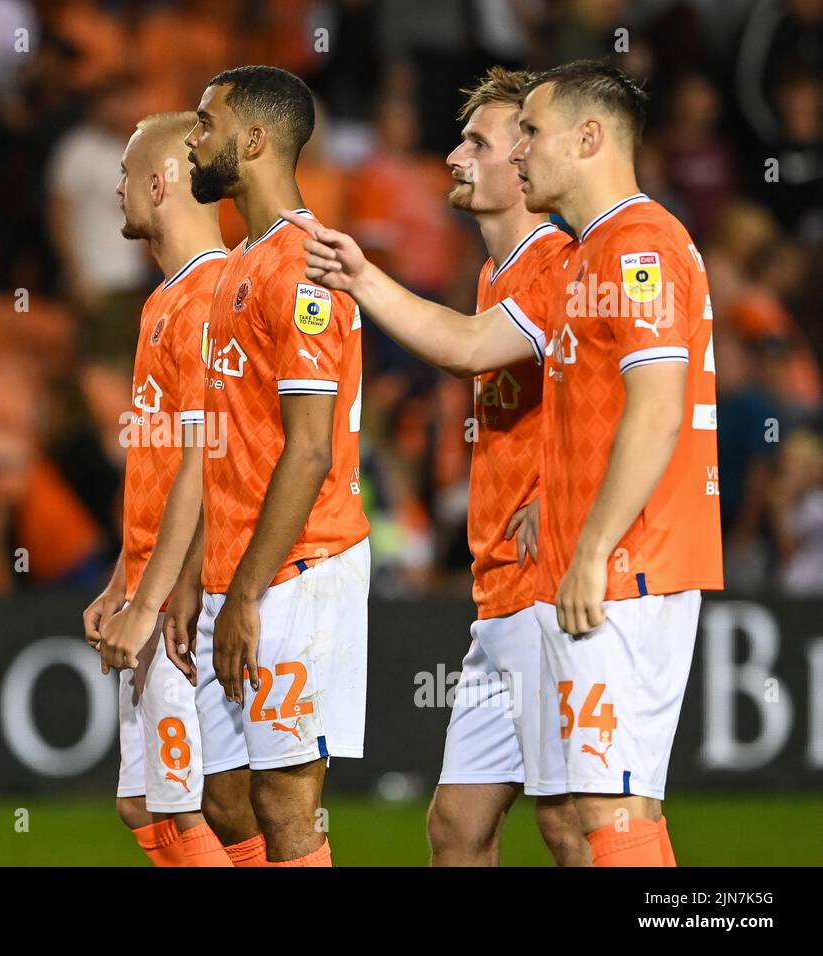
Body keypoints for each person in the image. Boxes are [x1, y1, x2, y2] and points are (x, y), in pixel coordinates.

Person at [284, 59, 723, 866]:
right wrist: (362, 277)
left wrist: (588, 543)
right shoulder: (581, 257)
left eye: (527, 132)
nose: (515, 152)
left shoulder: (638, 244)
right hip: (564, 566)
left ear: (587, 138)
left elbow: (658, 409)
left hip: (623, 566)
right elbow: (475, 346)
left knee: (602, 811)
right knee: (488, 823)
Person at [179, 66, 370, 866]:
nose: (192, 138)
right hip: (238, 563)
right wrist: (203, 575)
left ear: (253, 140)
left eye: (204, 123)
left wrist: (247, 591)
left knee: (286, 800)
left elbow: (312, 446)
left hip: (299, 564)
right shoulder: (239, 264)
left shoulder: (302, 267)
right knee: (223, 795)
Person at [425, 66, 589, 867]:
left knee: (568, 823)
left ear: (521, 161)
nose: (454, 155)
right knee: (458, 829)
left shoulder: (560, 260)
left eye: (476, 142)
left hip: (548, 584)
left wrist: (562, 492)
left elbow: (628, 401)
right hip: (499, 588)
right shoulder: (497, 275)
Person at [86, 112, 232, 867]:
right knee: (141, 802)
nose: (115, 188)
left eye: (124, 174)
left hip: (185, 596)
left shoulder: (215, 296)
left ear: (160, 182)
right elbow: (158, 460)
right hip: (152, 575)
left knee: (188, 802)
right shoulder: (161, 301)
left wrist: (160, 596)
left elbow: (210, 463)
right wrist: (122, 576)